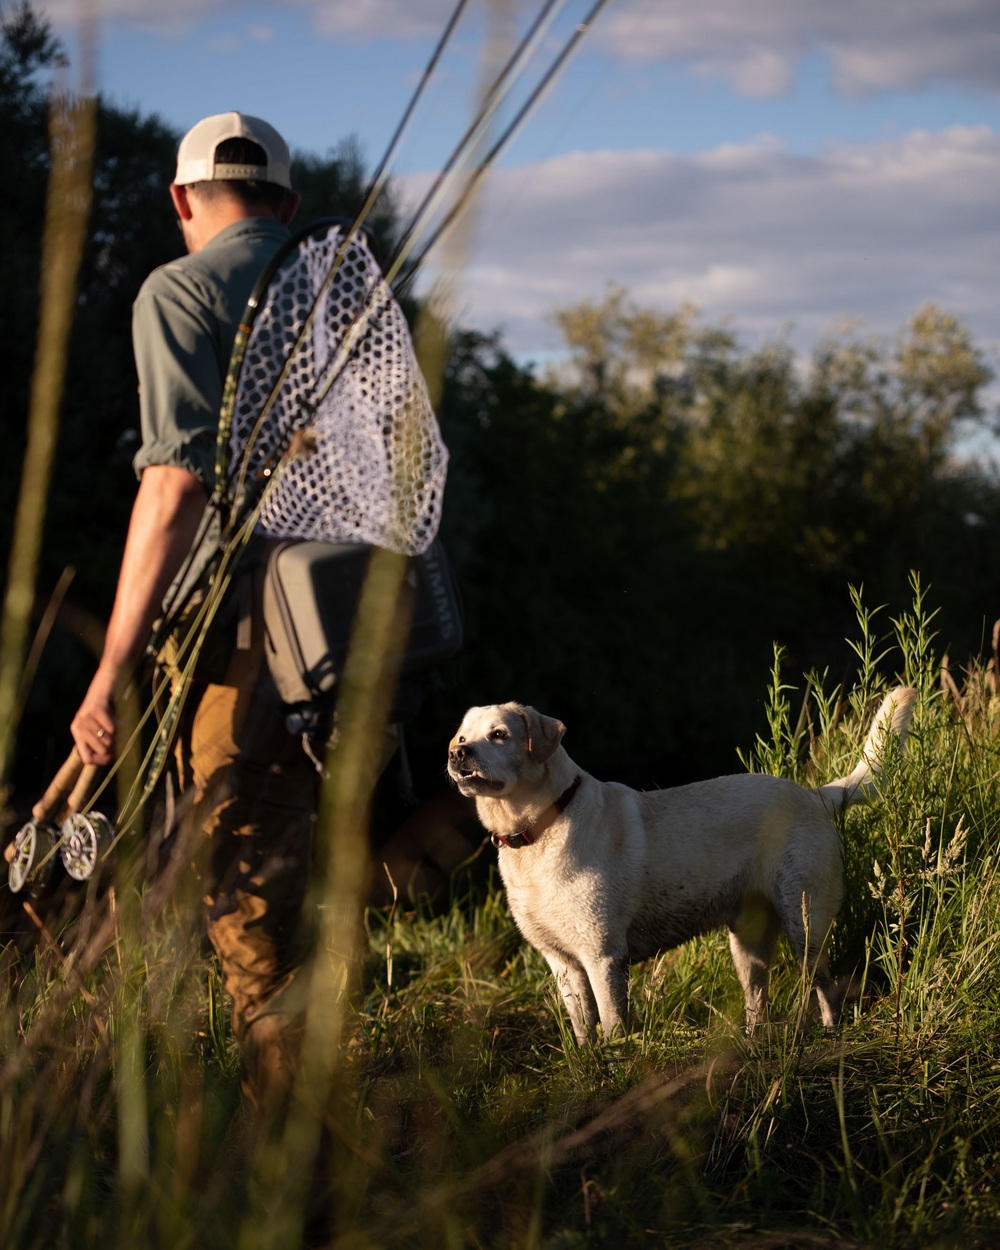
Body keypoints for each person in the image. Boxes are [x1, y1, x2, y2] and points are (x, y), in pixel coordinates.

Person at [69, 113, 316, 1111]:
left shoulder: (177, 289)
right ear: (290, 208)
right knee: (303, 871)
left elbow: (173, 488)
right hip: (362, 633)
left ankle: (300, 1172)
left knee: (245, 887)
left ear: (181, 200)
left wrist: (106, 668)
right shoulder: (351, 296)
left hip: (244, 637)